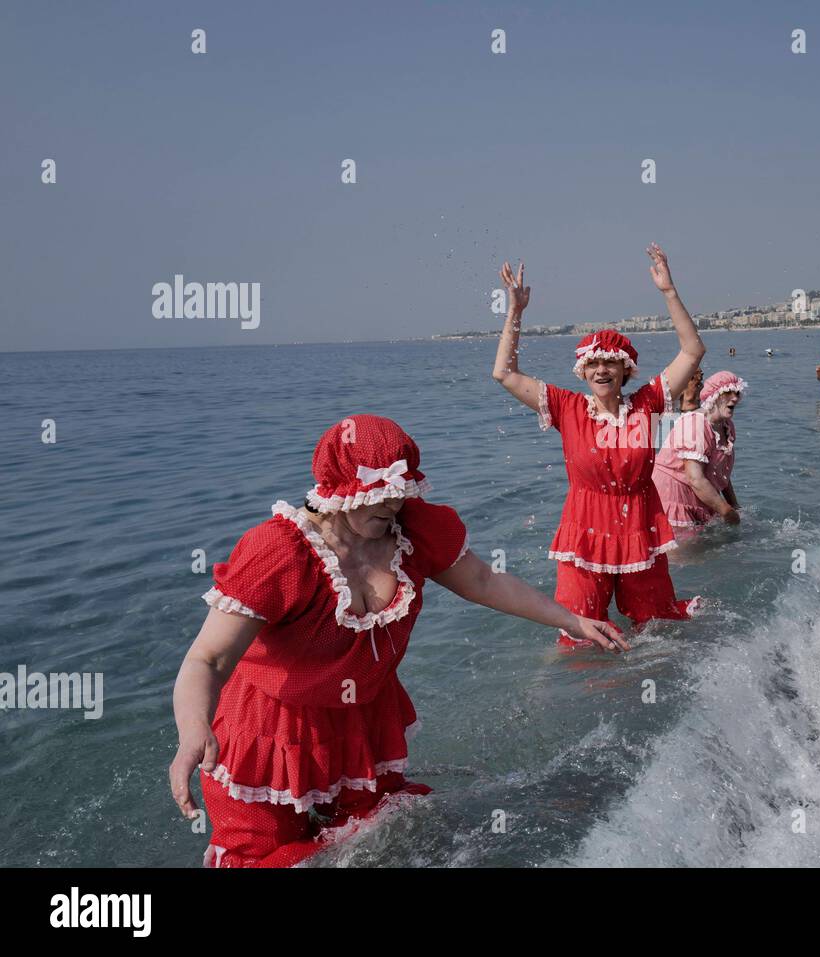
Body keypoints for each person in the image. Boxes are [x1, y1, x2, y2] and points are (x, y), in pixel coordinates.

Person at [169, 415, 625, 867]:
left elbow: (485, 582)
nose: (393, 506)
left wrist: (571, 620)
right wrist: (193, 731)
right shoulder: (278, 553)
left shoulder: (414, 529)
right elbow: (208, 658)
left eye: (401, 492)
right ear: (338, 492)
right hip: (271, 728)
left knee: (375, 840)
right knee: (266, 855)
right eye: (380, 495)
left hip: (364, 717)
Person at [491, 245, 705, 648]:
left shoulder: (649, 404)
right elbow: (504, 372)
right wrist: (515, 311)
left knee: (658, 632)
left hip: (640, 532)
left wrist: (668, 291)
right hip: (584, 538)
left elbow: (693, 351)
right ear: (583, 371)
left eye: (610, 363)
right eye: (593, 364)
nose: (601, 369)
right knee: (580, 641)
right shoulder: (567, 408)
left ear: (625, 370)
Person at [652, 371, 746, 527]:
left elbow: (721, 473)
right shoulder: (695, 425)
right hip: (672, 496)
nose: (735, 398)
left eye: (737, 393)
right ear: (714, 396)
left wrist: (734, 506)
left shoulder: (727, 426)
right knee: (686, 550)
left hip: (696, 495)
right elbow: (695, 479)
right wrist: (726, 512)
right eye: (728, 393)